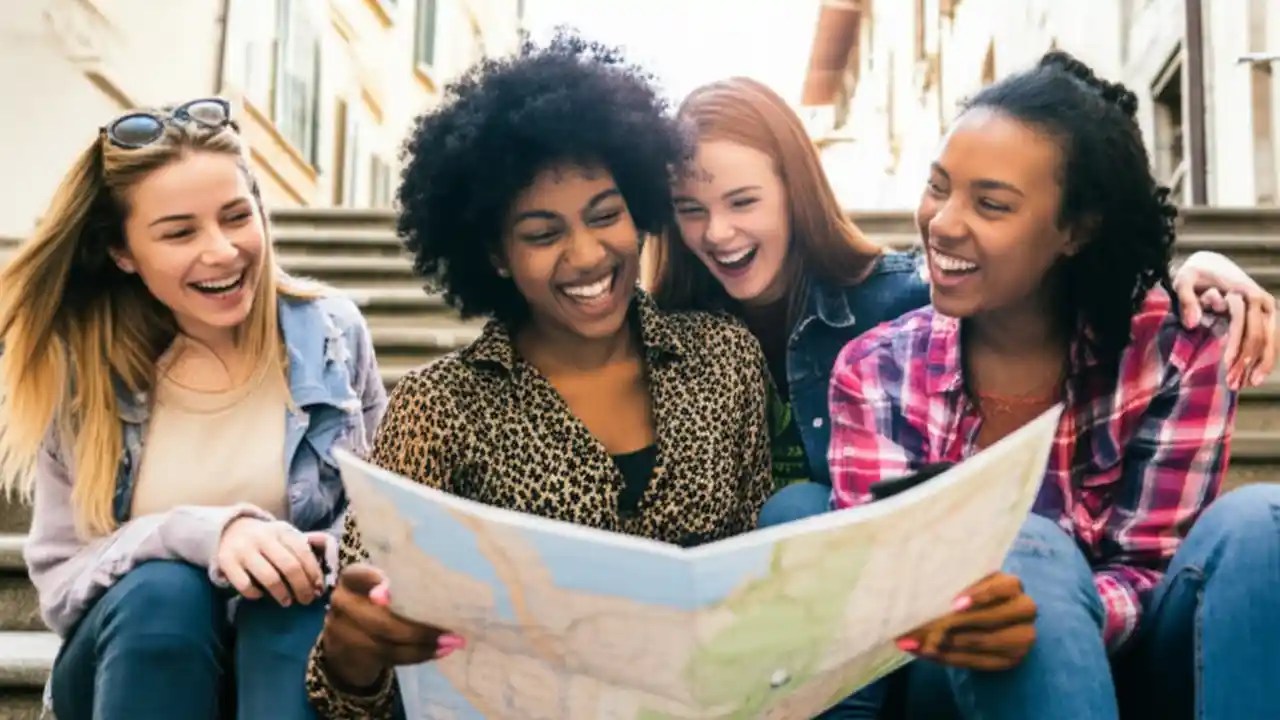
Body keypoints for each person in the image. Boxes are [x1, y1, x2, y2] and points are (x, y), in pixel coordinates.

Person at [304, 30, 774, 718]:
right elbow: (347, 694)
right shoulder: (439, 407)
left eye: (606, 216)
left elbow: (758, 581)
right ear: (495, 254)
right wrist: (354, 650)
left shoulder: (723, 360)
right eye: (542, 233)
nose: (587, 254)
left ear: (640, 210)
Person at [826, 51, 1280, 720]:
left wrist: (1055, 607)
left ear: (1076, 229)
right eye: (939, 185)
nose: (945, 221)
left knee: (1259, 521)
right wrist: (1000, 597)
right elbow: (883, 591)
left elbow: (1152, 567)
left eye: (991, 203)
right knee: (1024, 553)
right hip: (954, 676)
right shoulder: (874, 370)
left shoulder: (1176, 347)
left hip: (1139, 658)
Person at [649, 75, 1278, 509]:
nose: (717, 232)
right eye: (689, 209)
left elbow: (1021, 274)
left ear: (796, 191)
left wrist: (1187, 268)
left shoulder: (890, 303)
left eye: (742, 202)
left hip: (873, 561)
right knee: (795, 508)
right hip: (759, 578)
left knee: (800, 507)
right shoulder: (667, 334)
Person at [0, 98, 385, 720]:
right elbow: (62, 583)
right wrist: (207, 534)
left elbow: (380, 530)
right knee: (164, 591)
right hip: (134, 662)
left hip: (290, 655)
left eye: (237, 217)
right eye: (180, 232)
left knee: (289, 603)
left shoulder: (332, 334)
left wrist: (303, 555)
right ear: (123, 253)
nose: (223, 251)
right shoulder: (82, 372)